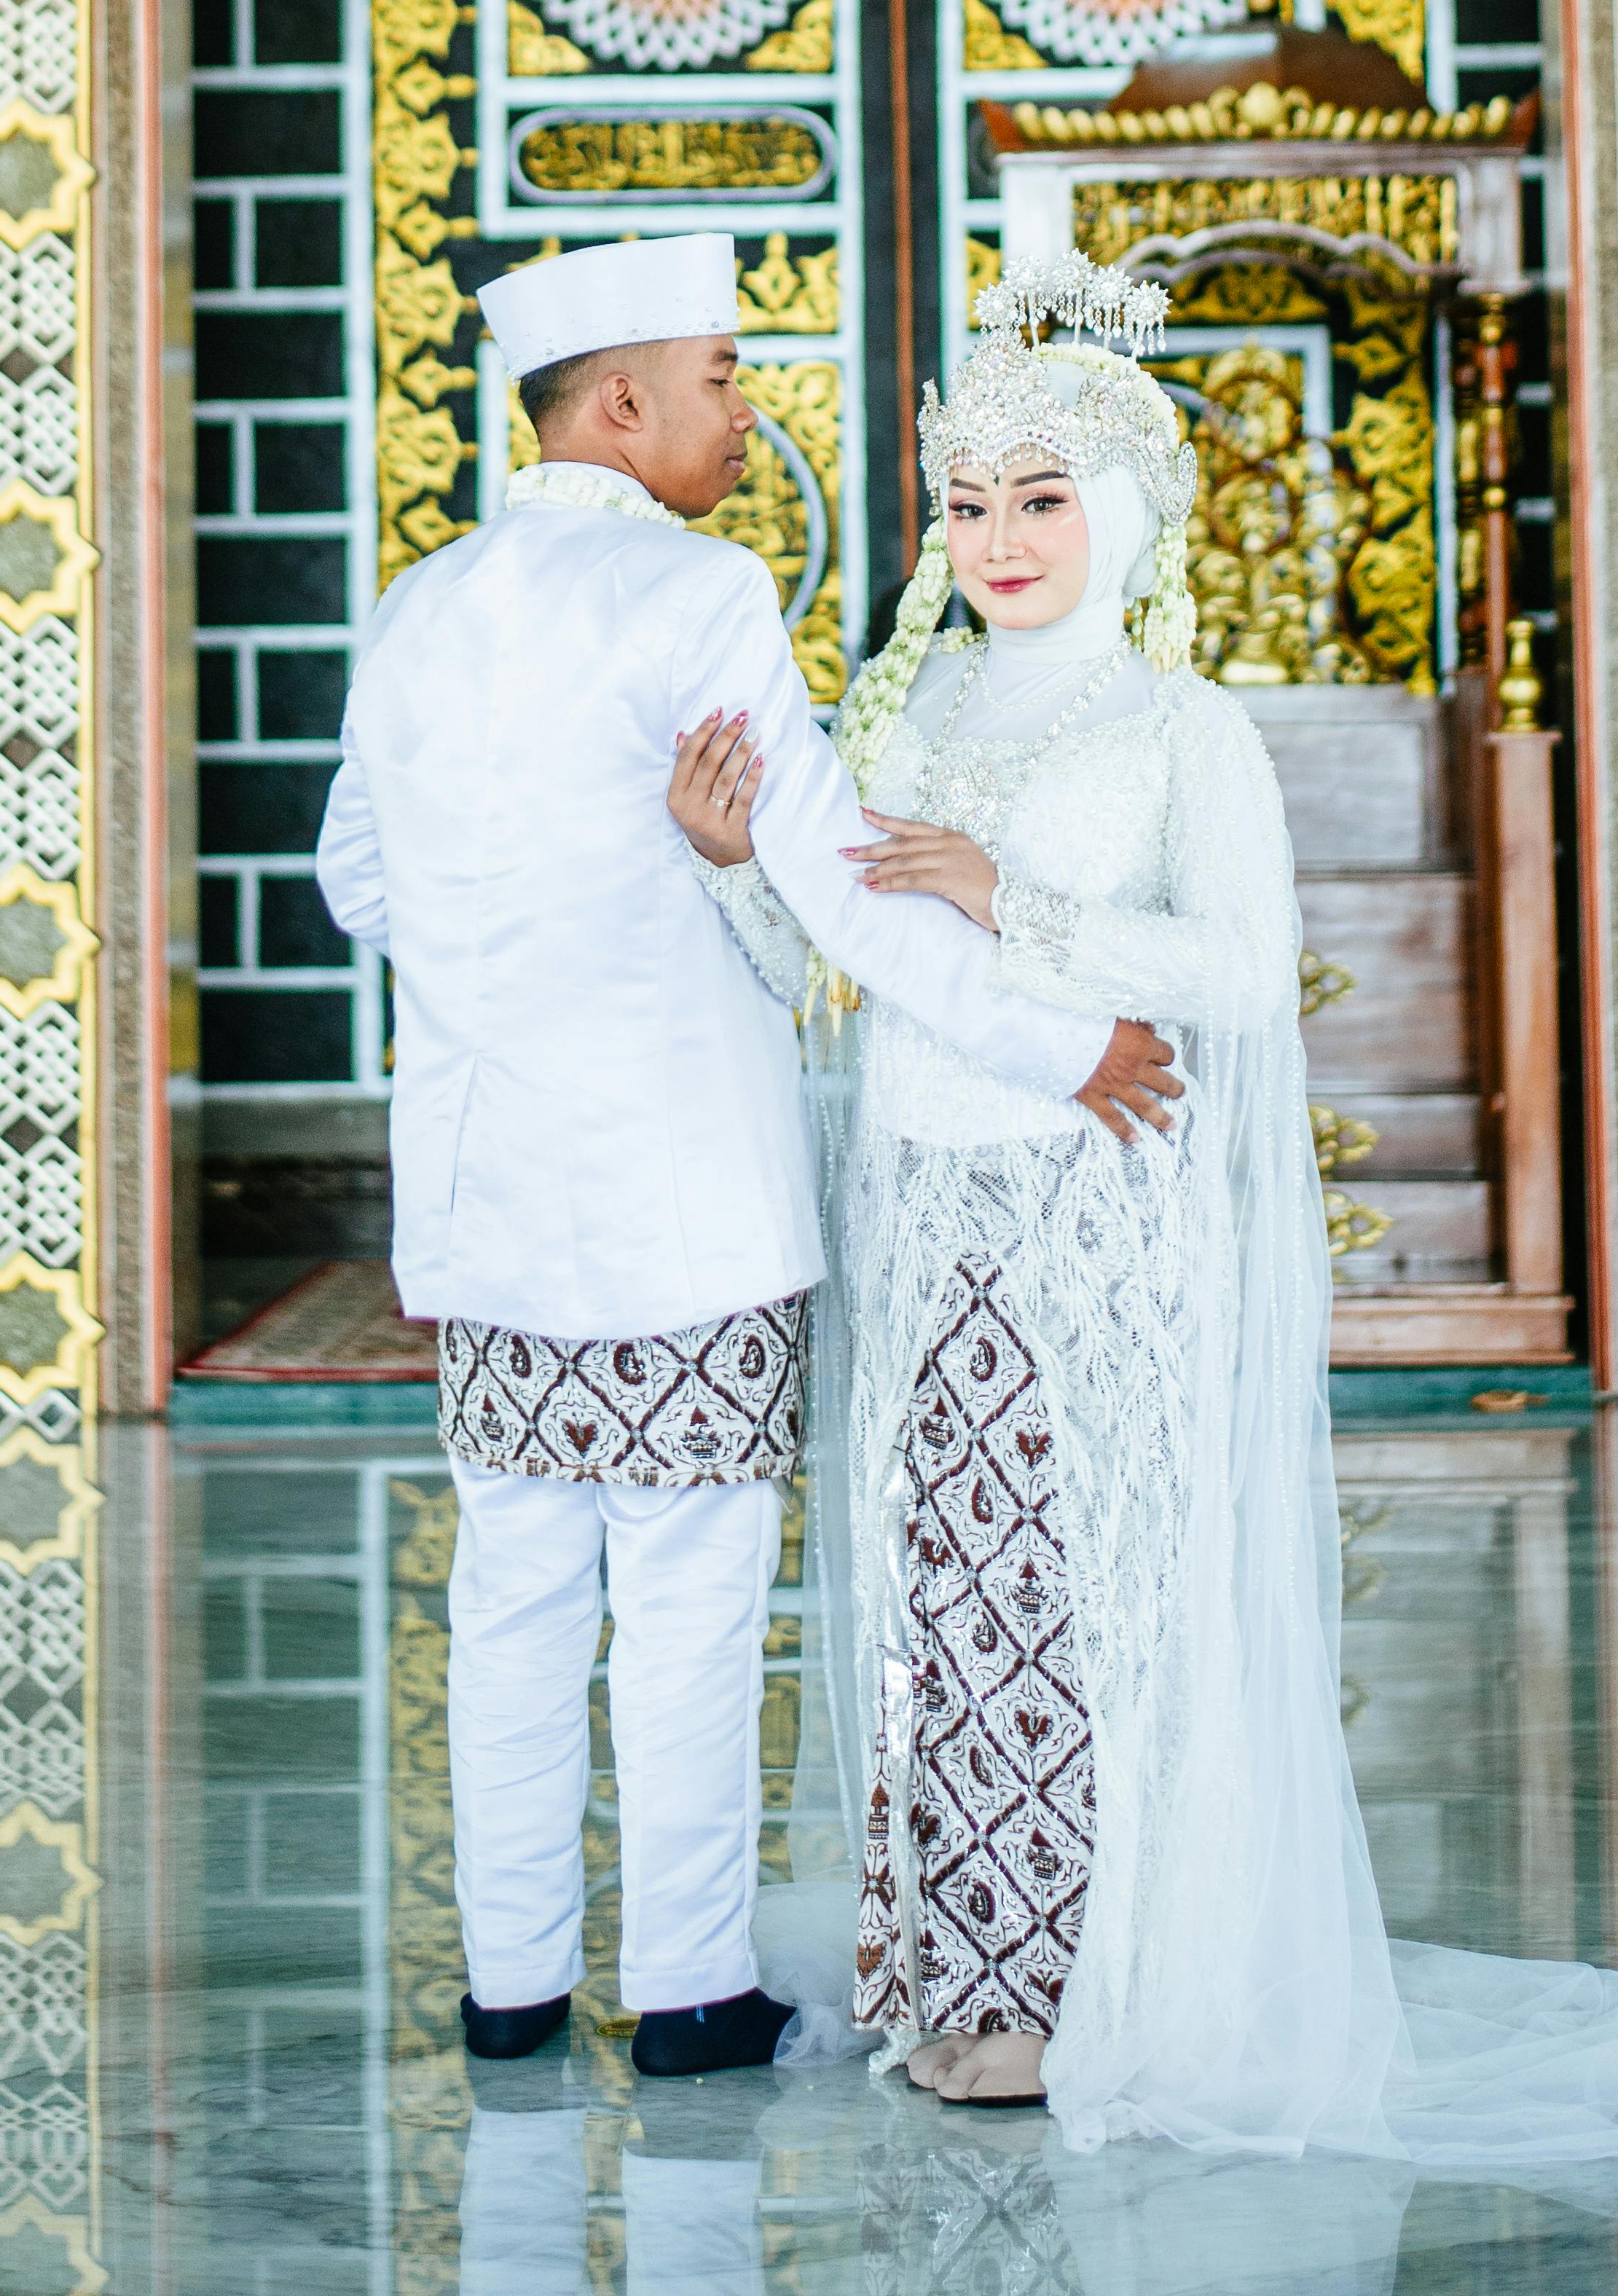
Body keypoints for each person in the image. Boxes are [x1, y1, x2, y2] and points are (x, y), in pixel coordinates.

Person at [668, 253, 1618, 2183]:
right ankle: (968, 1970)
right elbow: (819, 959)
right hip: (921, 1211)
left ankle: (1097, 1988)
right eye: (971, 500)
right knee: (944, 1594)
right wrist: (728, 866)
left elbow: (1241, 971)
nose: (1001, 538)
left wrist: (1014, 902)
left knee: (1083, 1593)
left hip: (1097, 1218)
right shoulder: (905, 711)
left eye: (1043, 499)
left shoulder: (1179, 727)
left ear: (1120, 511)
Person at [313, 232, 1179, 2085]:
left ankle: (508, 1989)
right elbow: (839, 887)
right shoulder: (695, 590)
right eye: (717, 375)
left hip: (485, 1198)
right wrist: (1068, 1041)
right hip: (680, 1203)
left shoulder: (418, 602)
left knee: (513, 1595)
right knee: (688, 1602)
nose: (740, 406)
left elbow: (358, 883)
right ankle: (690, 1991)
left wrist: (523, 929)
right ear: (621, 401)